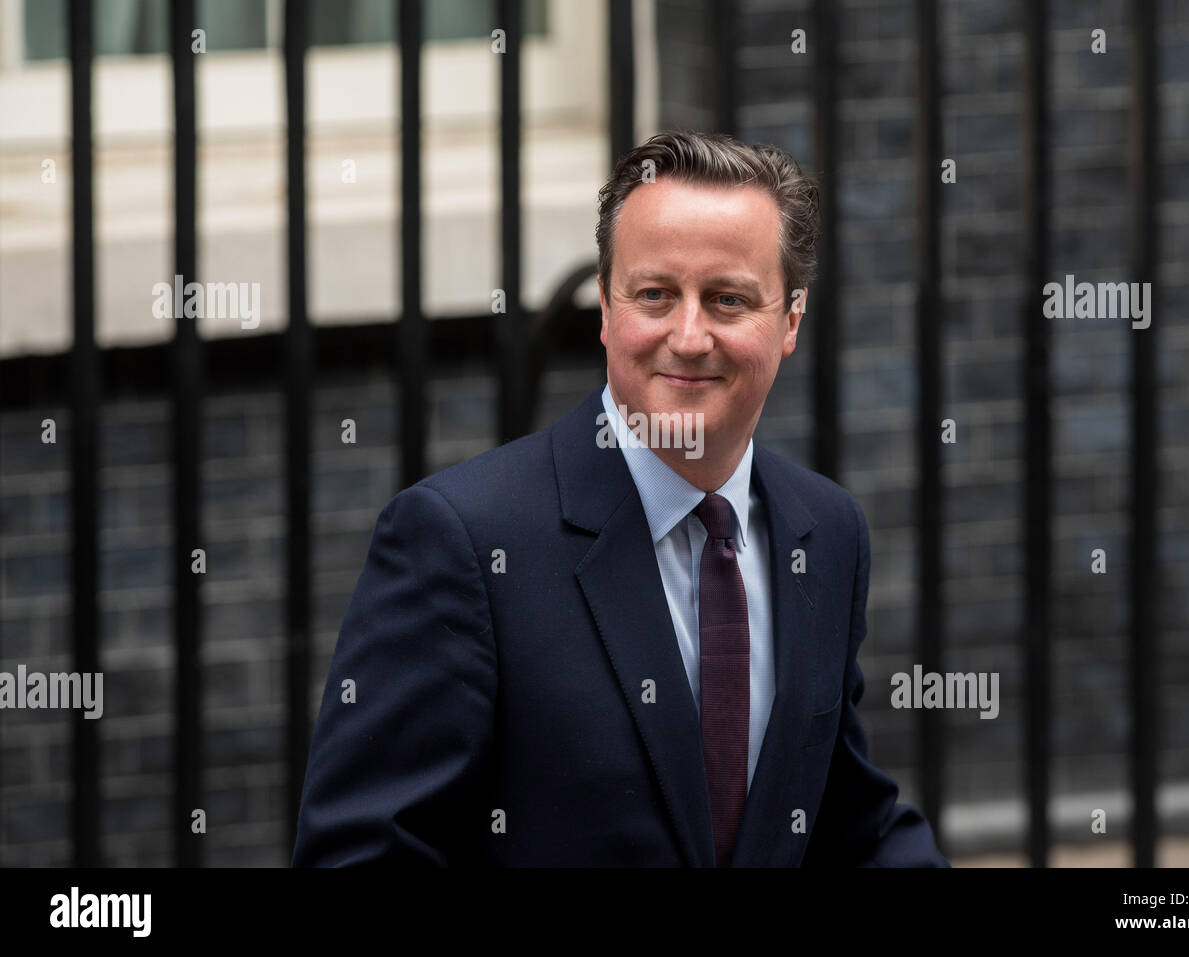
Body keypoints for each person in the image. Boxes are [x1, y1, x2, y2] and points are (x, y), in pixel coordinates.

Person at [292, 130, 947, 867]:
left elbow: (844, 823)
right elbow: (360, 856)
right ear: (605, 309)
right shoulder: (463, 542)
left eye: (728, 298)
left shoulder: (826, 531)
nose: (689, 336)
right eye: (655, 295)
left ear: (791, 320)